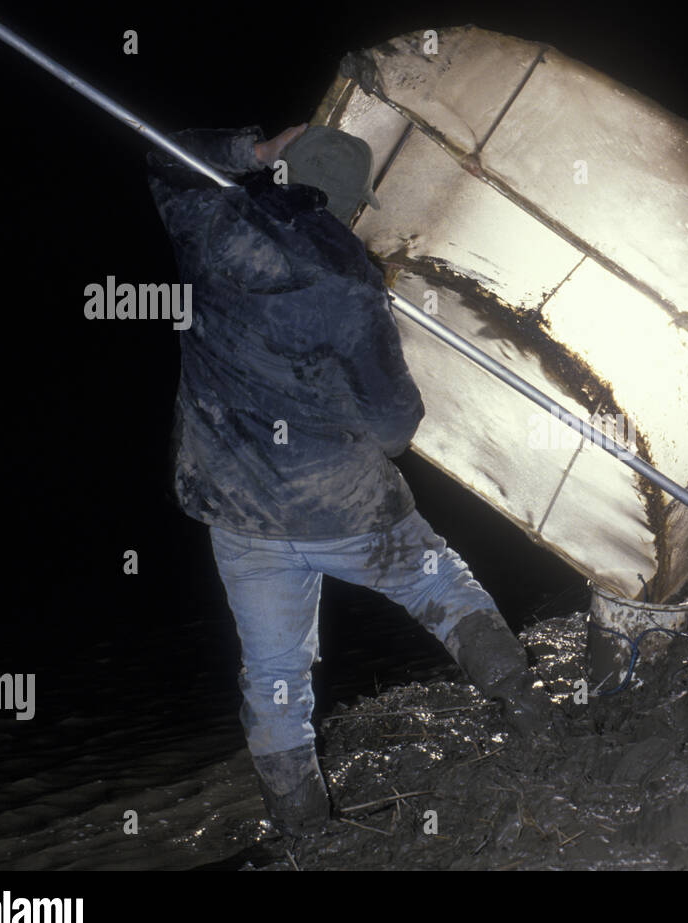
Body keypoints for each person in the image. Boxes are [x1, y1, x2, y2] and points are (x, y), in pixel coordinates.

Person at [146, 122, 553, 837]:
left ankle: (304, 831)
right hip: (347, 508)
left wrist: (255, 150)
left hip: (241, 512)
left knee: (275, 673)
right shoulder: (353, 286)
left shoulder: (206, 224)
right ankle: (536, 722)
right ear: (351, 203)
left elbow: (160, 153)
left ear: (282, 172)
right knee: (440, 585)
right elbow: (395, 426)